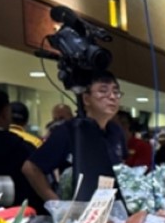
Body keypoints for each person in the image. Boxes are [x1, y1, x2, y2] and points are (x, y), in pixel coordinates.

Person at [23, 72, 126, 204]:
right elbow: (31, 168)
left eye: (116, 92)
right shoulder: (70, 131)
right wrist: (56, 205)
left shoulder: (116, 131)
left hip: (111, 206)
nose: (112, 97)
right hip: (78, 207)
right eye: (103, 91)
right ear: (86, 99)